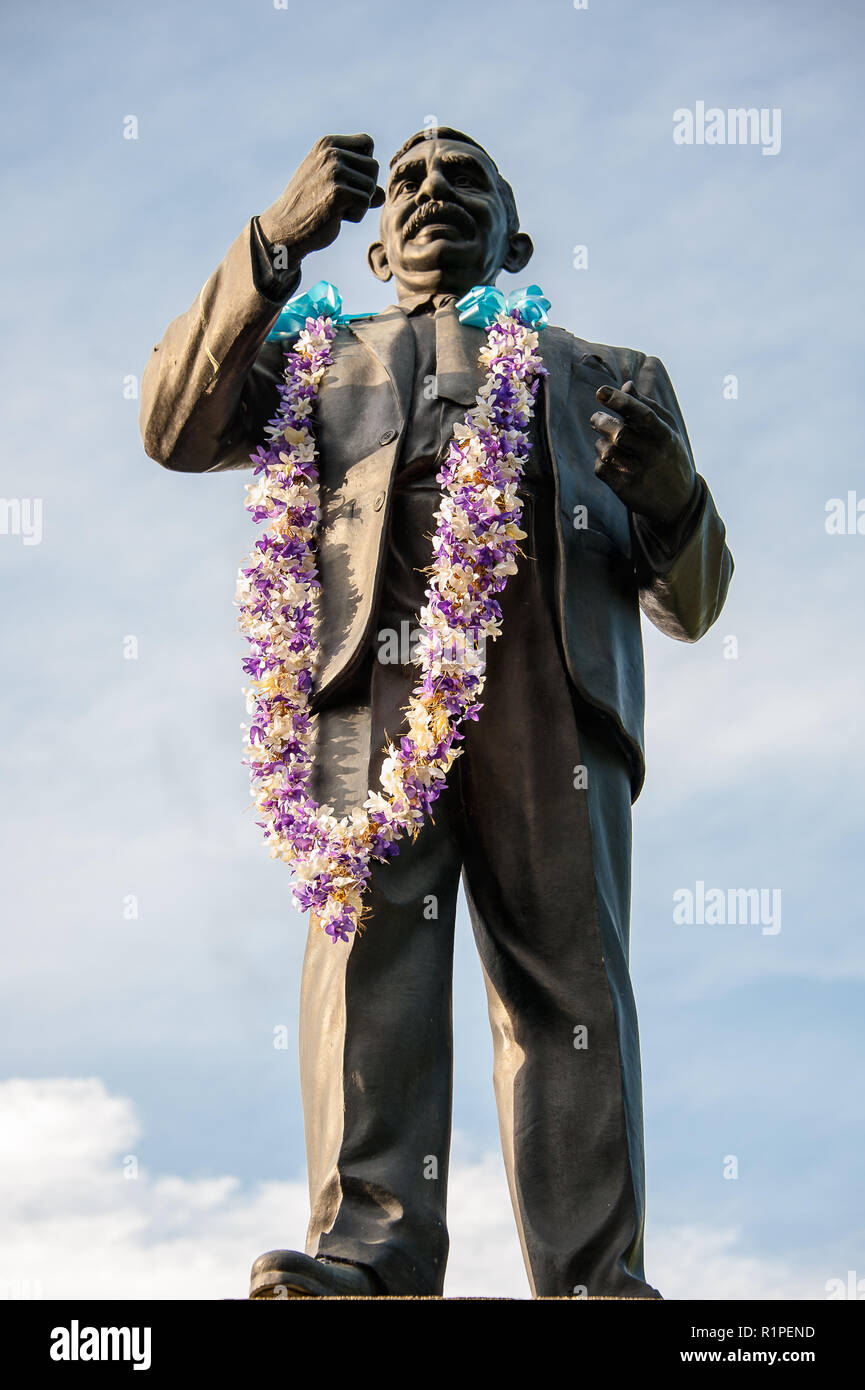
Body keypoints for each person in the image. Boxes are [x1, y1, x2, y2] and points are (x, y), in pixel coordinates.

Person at [139, 128, 733, 1299]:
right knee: (371, 966)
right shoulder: (316, 362)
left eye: (465, 177)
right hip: (370, 689)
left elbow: (695, 602)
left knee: (567, 982)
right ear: (368, 248)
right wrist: (272, 240)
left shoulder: (607, 373)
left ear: (515, 238)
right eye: (406, 178)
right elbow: (172, 423)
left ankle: (592, 1277)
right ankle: (372, 1252)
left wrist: (672, 496)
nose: (428, 189)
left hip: (548, 692)